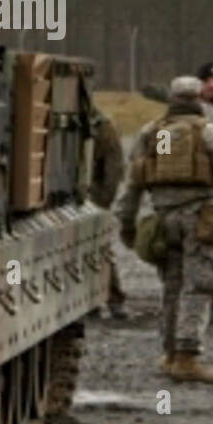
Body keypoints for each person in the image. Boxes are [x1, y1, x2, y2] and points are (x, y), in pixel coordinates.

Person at [114, 76, 213, 382]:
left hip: (162, 220)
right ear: (199, 97)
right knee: (198, 285)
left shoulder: (151, 133)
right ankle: (187, 356)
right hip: (200, 218)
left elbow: (133, 183)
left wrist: (127, 224)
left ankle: (170, 354)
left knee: (172, 285)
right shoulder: (209, 133)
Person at [89, 106, 129, 319]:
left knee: (100, 249)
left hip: (92, 198)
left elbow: (114, 170)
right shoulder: (162, 131)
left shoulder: (162, 130)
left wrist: (103, 201)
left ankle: (112, 296)